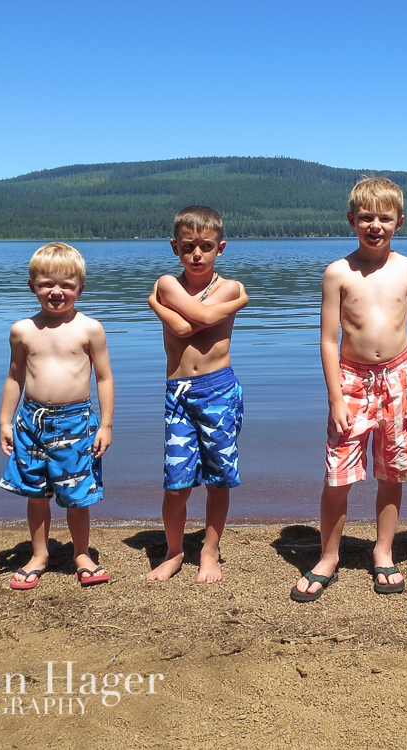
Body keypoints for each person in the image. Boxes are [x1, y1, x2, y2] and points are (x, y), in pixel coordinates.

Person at [291, 177, 407, 602]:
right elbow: (328, 339)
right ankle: (328, 556)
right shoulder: (339, 272)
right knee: (338, 475)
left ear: (399, 222)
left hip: (399, 378)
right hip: (351, 381)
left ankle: (383, 550)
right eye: (366, 217)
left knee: (392, 472)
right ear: (351, 219)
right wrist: (335, 396)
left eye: (384, 218)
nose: (375, 226)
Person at [0, 242, 115, 590]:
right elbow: (15, 377)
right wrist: (5, 421)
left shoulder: (89, 329)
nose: (56, 291)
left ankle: (81, 554)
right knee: (36, 494)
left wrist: (105, 425)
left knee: (77, 496)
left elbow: (104, 378)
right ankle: (39, 554)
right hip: (31, 422)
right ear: (32, 286)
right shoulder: (22, 330)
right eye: (47, 283)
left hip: (76, 422)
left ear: (81, 288)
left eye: (66, 284)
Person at [146, 206, 249, 584]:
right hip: (179, 394)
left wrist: (155, 304)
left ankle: (209, 549)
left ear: (220, 248)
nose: (197, 254)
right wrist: (158, 302)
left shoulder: (229, 288)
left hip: (218, 390)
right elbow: (187, 327)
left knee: (218, 478)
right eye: (188, 246)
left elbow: (199, 321)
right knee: (176, 484)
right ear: (175, 246)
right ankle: (174, 551)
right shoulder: (166, 284)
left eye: (206, 246)